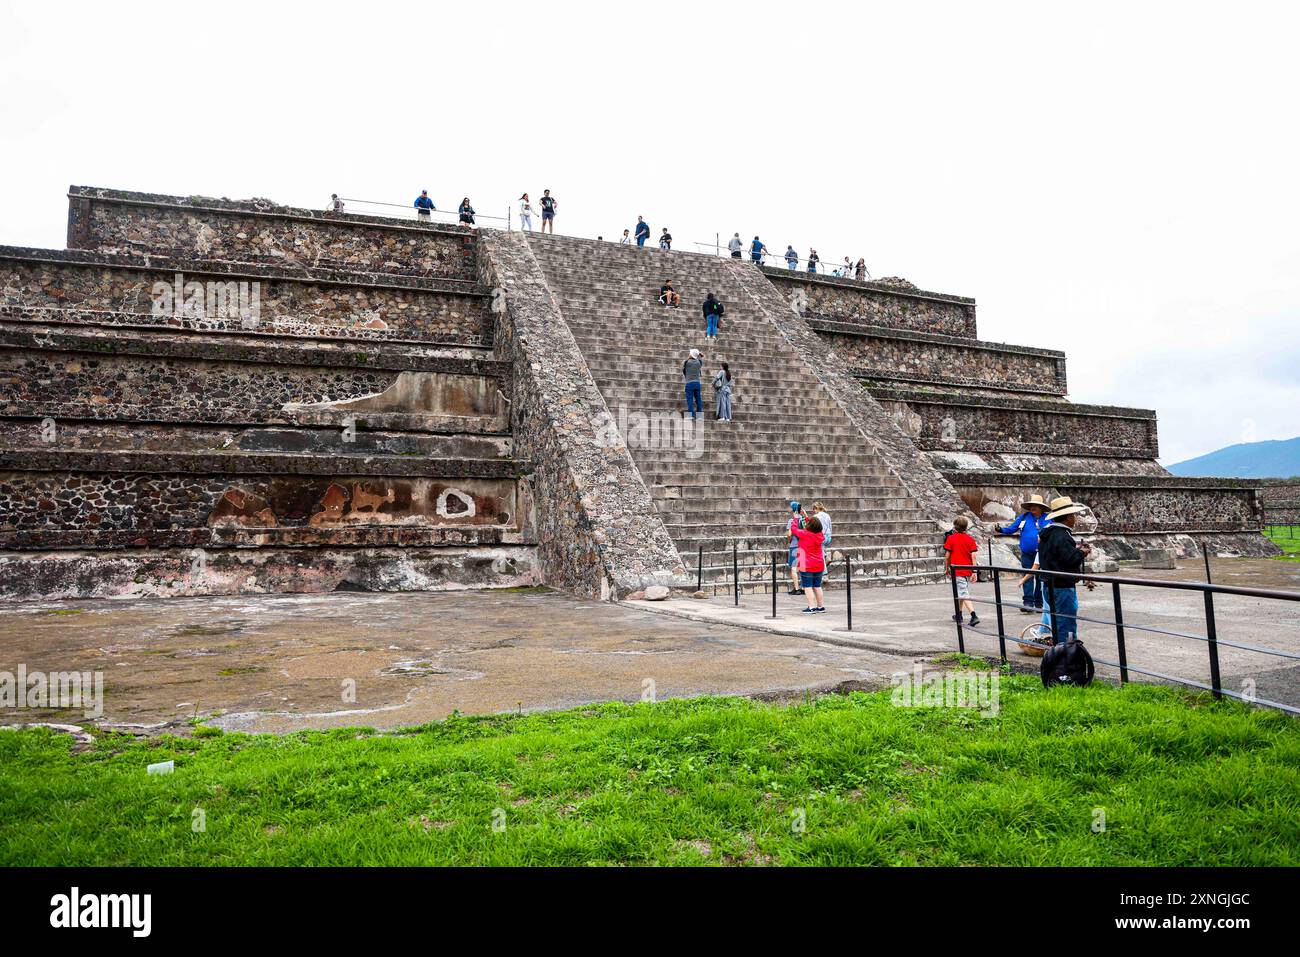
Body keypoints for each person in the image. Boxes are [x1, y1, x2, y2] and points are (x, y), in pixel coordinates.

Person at [1038, 496, 1094, 644]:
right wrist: (1082, 553)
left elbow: (1057, 556)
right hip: (1062, 586)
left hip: (1049, 583)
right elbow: (1069, 559)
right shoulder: (1062, 536)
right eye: (1073, 516)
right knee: (1066, 622)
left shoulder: (1047, 534)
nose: (1074, 519)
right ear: (1068, 517)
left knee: (1057, 620)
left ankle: (1061, 648)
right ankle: (1066, 653)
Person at [999, 493, 1048, 613]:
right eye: (1031, 505)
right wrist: (1001, 530)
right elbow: (1012, 529)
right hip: (1027, 552)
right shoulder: (1024, 517)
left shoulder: (1048, 518)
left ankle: (1039, 603)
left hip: (1041, 553)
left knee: (1041, 578)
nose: (1033, 508)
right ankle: (1028, 603)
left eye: (1035, 506)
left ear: (1041, 507)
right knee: (1028, 576)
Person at [944, 515, 980, 627]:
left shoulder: (951, 538)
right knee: (962, 591)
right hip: (967, 570)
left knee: (963, 593)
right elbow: (973, 557)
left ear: (955, 526)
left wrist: (947, 567)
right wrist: (974, 571)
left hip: (957, 570)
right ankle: (959, 614)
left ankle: (973, 615)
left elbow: (947, 556)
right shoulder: (970, 539)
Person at [792, 516, 827, 614]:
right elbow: (813, 526)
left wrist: (795, 519)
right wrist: (806, 517)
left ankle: (811, 606)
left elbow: (794, 529)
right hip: (819, 563)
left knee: (807, 586)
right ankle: (820, 606)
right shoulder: (820, 535)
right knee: (817, 586)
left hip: (807, 564)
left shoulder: (805, 534)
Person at [787, 501, 807, 595]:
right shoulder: (803, 520)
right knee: (802, 567)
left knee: (794, 568)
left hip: (794, 545)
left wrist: (789, 537)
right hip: (803, 546)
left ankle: (796, 588)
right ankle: (803, 588)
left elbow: (789, 534)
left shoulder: (791, 521)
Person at [682, 348, 704, 419]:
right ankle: (699, 416)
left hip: (689, 383)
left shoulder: (687, 362)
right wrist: (699, 354)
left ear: (691, 355)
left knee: (690, 399)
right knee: (698, 399)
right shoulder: (699, 363)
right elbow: (701, 360)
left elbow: (684, 370)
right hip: (697, 383)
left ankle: (690, 415)